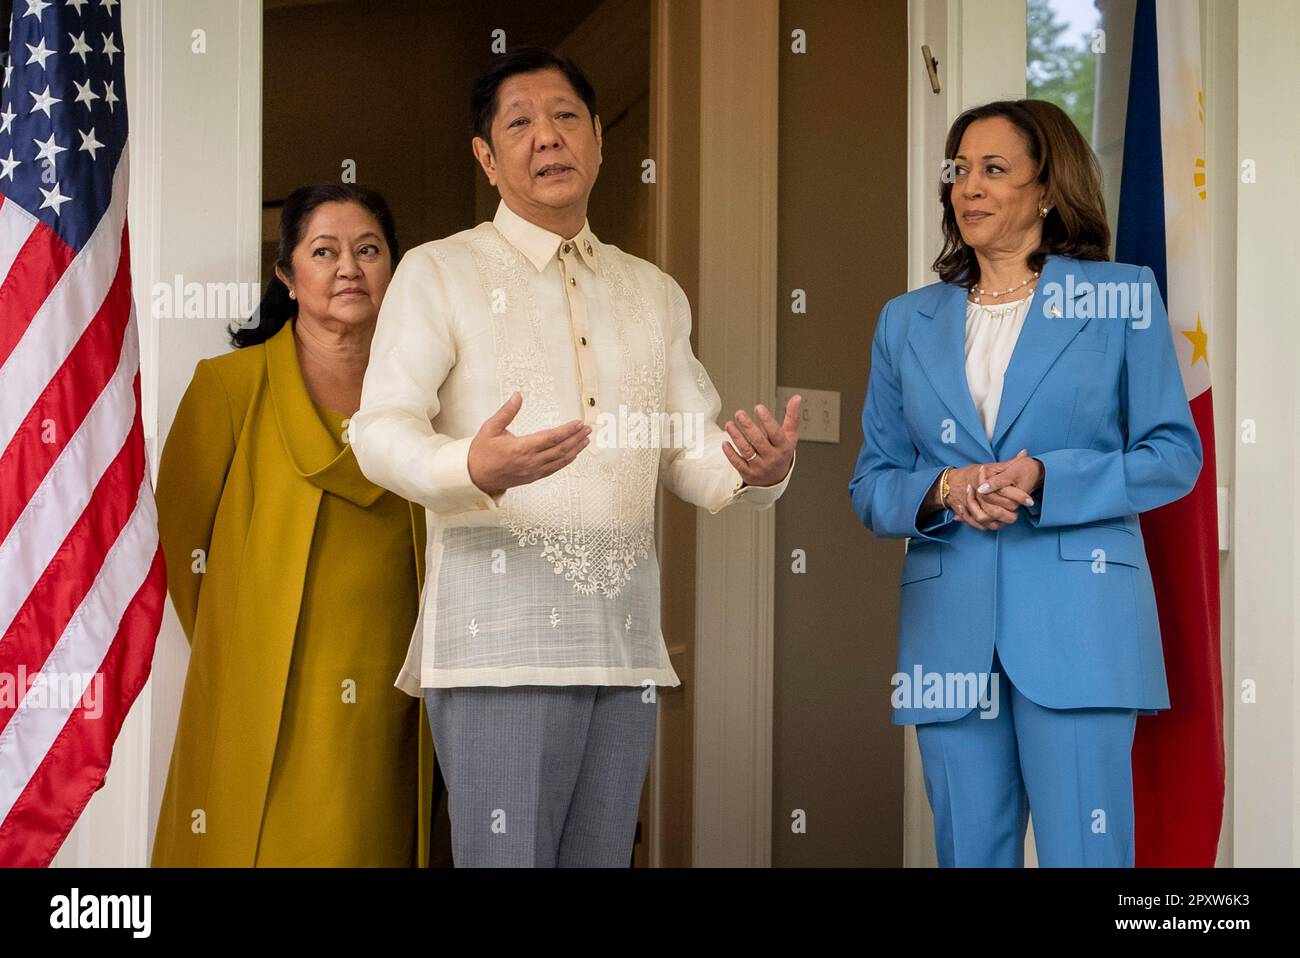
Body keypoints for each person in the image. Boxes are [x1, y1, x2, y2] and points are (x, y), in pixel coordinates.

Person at [349, 47, 799, 868]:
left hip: (626, 646)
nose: (546, 137)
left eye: (565, 117)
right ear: (486, 158)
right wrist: (470, 470)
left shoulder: (652, 290)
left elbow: (689, 451)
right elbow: (377, 431)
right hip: (496, 646)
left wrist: (755, 468)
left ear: (599, 137)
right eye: (518, 123)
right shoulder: (439, 271)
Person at [848, 100, 1202, 867]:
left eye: (994, 169)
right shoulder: (904, 321)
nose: (968, 187)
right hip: (948, 639)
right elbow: (872, 484)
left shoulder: (1120, 297)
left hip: (1084, 630)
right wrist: (943, 488)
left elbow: (1173, 454)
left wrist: (1048, 476)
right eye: (958, 171)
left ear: (1047, 187)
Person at [152, 185, 439, 866]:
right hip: (264, 694)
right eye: (324, 250)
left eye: (369, 249)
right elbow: (180, 547)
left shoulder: (434, 396)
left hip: (393, 694)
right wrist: (246, 647)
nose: (350, 267)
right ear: (287, 275)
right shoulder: (227, 386)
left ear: (394, 269)